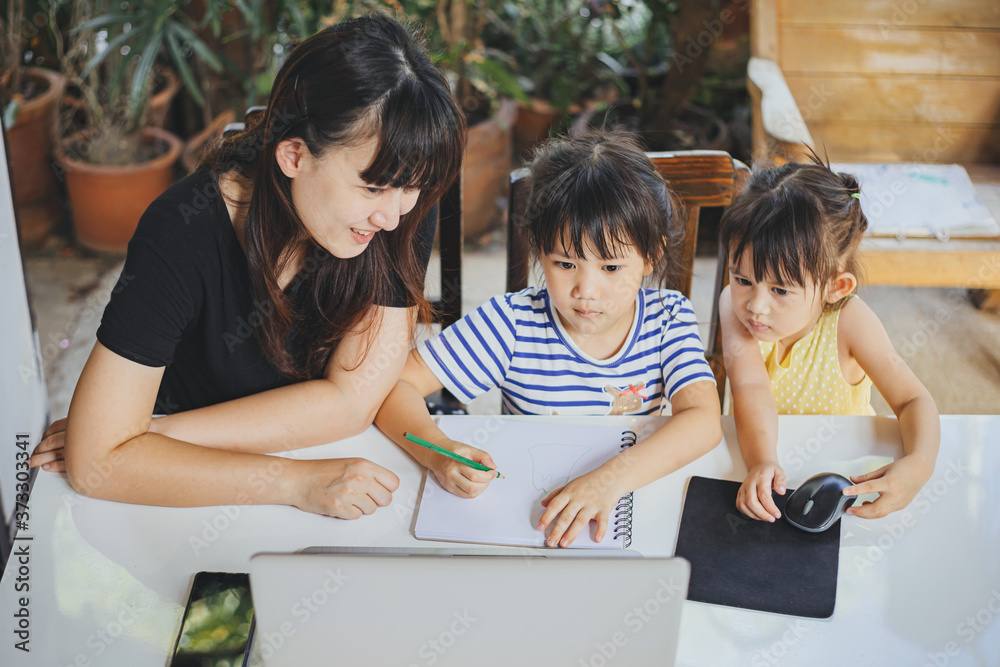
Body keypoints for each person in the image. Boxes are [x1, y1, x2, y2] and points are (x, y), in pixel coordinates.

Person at [28, 15, 467, 519]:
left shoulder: (399, 200)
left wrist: (150, 434)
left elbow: (353, 402)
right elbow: (97, 468)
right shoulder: (182, 230)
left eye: (411, 189)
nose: (392, 216)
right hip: (189, 489)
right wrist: (293, 482)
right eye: (372, 187)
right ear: (294, 155)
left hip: (224, 448)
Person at [375, 131, 723, 547]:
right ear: (538, 252)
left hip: (626, 507)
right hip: (527, 517)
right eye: (564, 263)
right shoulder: (513, 323)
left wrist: (606, 482)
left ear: (650, 257)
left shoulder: (667, 318)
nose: (586, 290)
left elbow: (703, 421)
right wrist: (438, 450)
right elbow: (394, 386)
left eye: (611, 267)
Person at [718, 156, 940, 523]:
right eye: (742, 279)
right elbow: (749, 386)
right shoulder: (733, 305)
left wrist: (918, 465)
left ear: (836, 287)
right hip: (769, 463)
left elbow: (913, 398)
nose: (755, 306)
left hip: (846, 478)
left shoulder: (850, 321)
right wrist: (761, 461)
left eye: (780, 289)